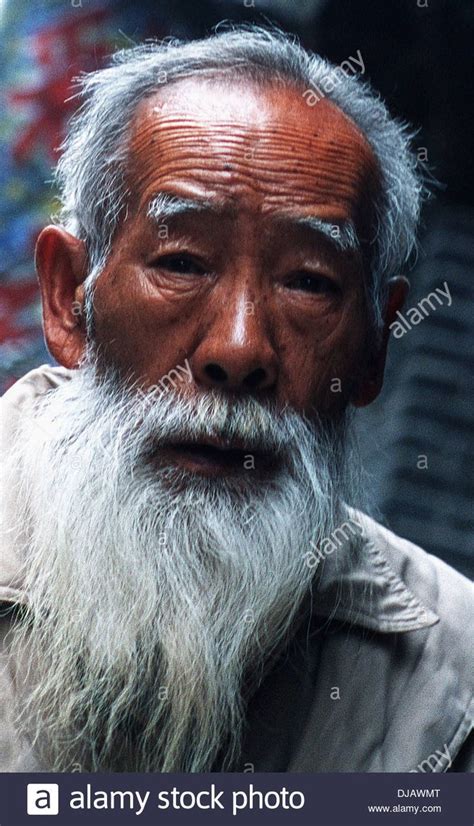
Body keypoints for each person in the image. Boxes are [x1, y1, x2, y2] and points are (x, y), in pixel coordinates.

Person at [0, 25, 472, 773]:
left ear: (375, 346)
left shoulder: (453, 680)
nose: (240, 350)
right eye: (182, 263)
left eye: (308, 282)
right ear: (68, 299)